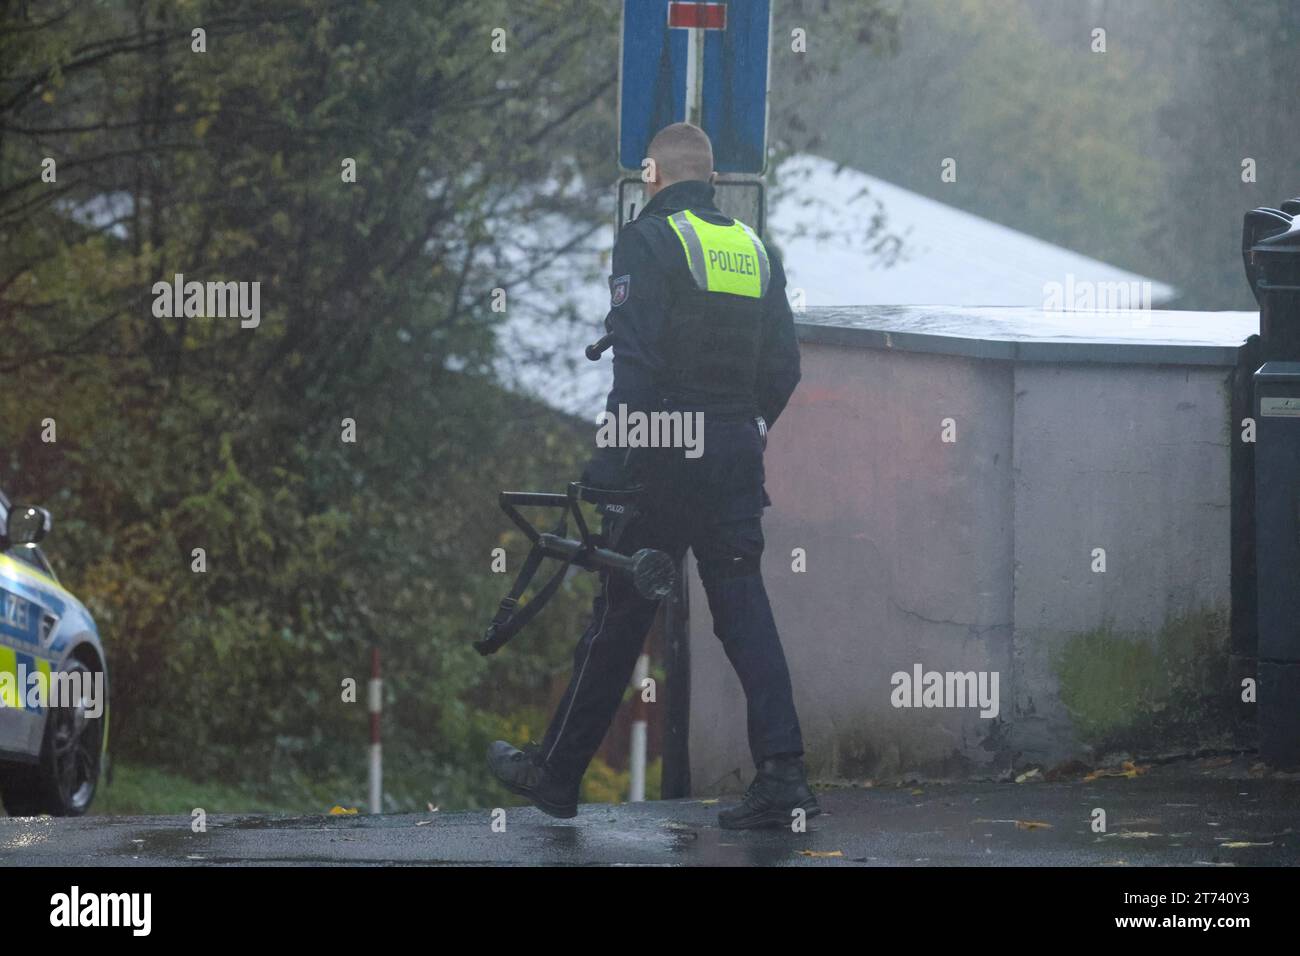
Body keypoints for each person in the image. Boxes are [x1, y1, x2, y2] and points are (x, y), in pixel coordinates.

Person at [488, 122, 817, 829]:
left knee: (618, 615)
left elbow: (633, 364)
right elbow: (784, 369)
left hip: (663, 458)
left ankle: (556, 773)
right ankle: (785, 778)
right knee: (745, 616)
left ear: (653, 176)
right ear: (714, 179)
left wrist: (611, 462)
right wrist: (738, 425)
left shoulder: (647, 239)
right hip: (732, 455)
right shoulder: (756, 249)